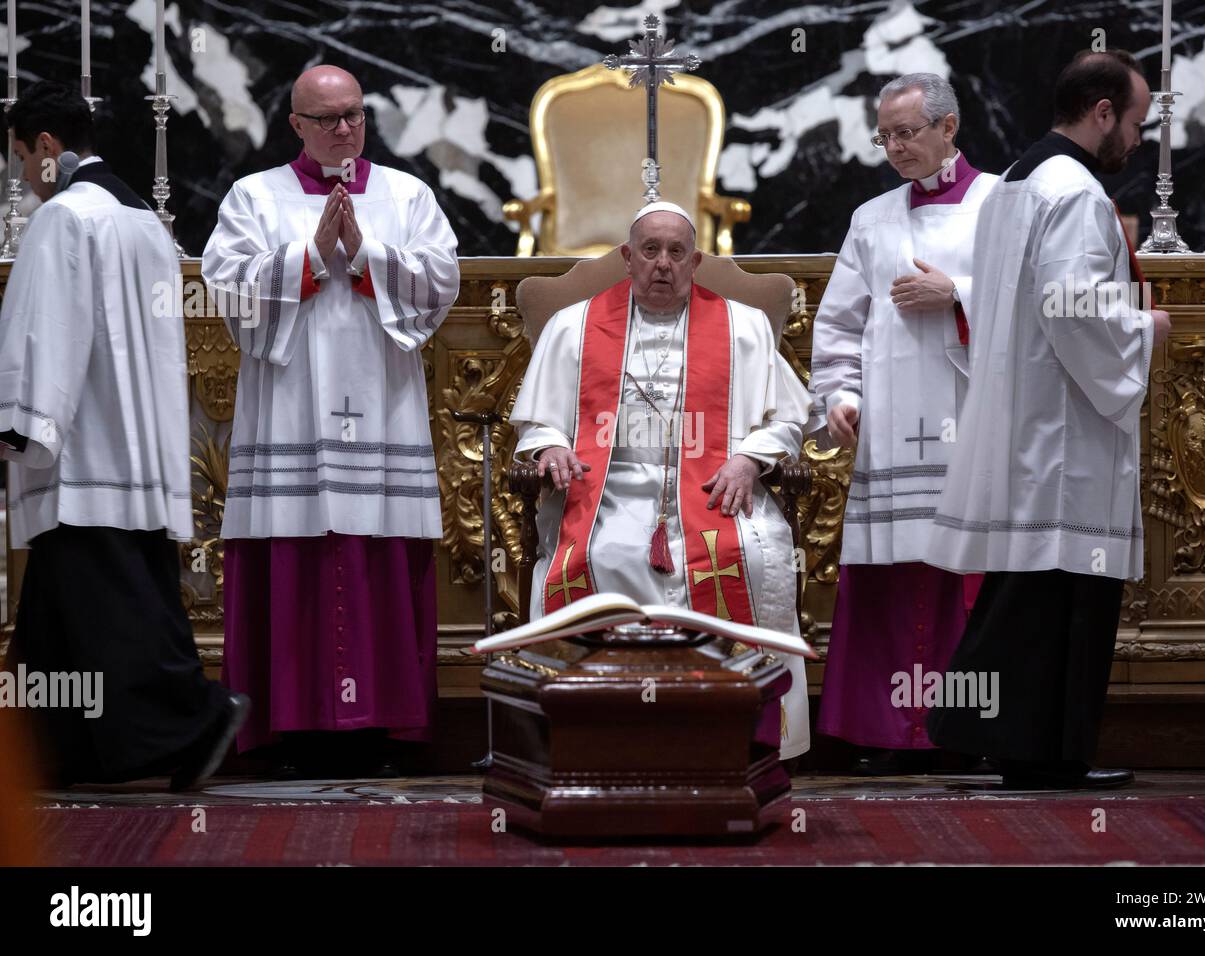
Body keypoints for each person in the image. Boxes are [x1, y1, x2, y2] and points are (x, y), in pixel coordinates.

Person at [924, 50, 1171, 789]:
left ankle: (1025, 746)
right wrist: (1143, 327)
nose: (1137, 138)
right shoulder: (1077, 194)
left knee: (1032, 590)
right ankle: (1040, 752)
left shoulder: (1014, 184)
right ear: (1101, 113)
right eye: (1134, 122)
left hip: (1028, 416)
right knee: (1061, 594)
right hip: (1067, 430)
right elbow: (1075, 315)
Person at [202, 65, 459, 776]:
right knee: (293, 561)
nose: (343, 129)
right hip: (288, 415)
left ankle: (386, 730)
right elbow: (229, 291)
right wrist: (313, 256)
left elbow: (442, 283)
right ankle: (287, 732)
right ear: (296, 126)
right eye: (327, 119)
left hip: (383, 410)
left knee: (377, 554)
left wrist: (368, 254)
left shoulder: (407, 194)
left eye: (353, 114)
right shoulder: (253, 197)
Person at [0, 81, 245, 791]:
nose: (22, 178)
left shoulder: (65, 219)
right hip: (137, 448)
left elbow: (46, 331)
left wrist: (19, 425)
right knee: (57, 624)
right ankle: (47, 753)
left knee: (115, 615)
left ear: (48, 147)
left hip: (86, 455)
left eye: (20, 159)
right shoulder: (144, 219)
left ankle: (200, 717)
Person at [510, 202, 813, 760]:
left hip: (717, 488)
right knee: (601, 553)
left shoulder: (742, 326)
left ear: (695, 261)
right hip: (608, 490)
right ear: (628, 257)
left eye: (677, 252)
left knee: (743, 552)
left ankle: (733, 742)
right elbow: (538, 419)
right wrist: (551, 445)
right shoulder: (573, 326)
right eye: (650, 250)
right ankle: (598, 738)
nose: (663, 264)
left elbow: (789, 418)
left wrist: (749, 460)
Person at [810, 73, 996, 773]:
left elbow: (1033, 310)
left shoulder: (1000, 205)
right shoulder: (872, 218)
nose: (894, 147)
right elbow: (838, 327)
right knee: (889, 583)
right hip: (891, 433)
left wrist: (959, 296)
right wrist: (838, 395)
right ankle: (883, 735)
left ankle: (967, 735)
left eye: (907, 132)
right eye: (884, 135)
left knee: (965, 583)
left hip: (973, 427)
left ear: (949, 128)